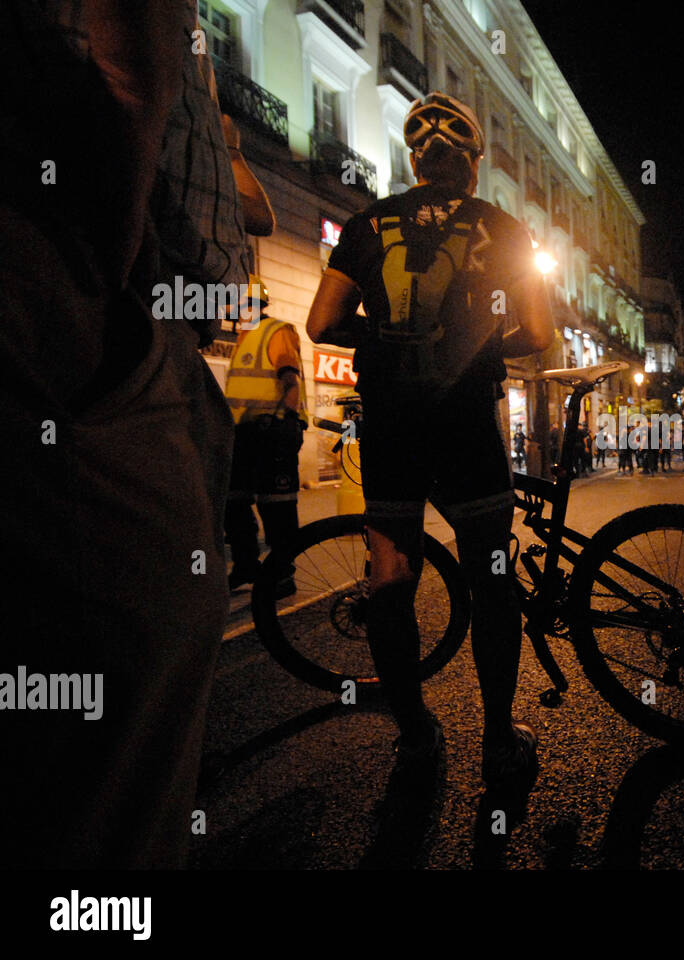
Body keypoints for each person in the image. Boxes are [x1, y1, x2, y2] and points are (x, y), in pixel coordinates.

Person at [1, 1, 270, 867]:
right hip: (86, 283)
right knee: (114, 771)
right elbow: (135, 57)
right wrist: (105, 275)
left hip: (115, 305)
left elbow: (257, 210)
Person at [306, 91, 554, 791]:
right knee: (491, 577)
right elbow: (537, 332)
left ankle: (416, 737)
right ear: (471, 164)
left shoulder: (365, 223)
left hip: (390, 419)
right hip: (467, 417)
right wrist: (477, 346)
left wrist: (386, 344)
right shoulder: (500, 226)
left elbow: (322, 322)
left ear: (415, 160)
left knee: (389, 580)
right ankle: (499, 741)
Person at [225, 278, 306, 595]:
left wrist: (284, 419)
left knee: (277, 506)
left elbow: (290, 378)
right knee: (234, 502)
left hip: (269, 432)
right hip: (243, 435)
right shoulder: (243, 338)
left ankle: (283, 574)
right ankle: (247, 566)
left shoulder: (274, 331)